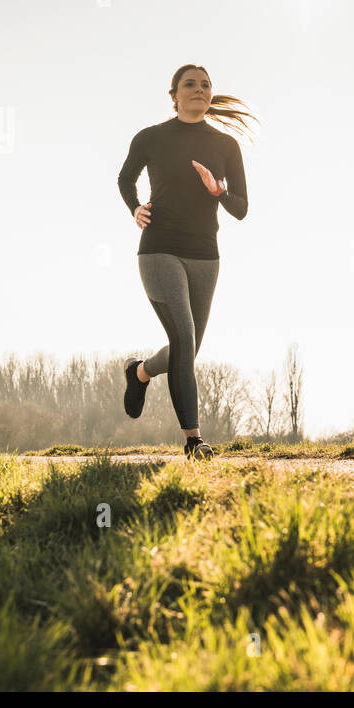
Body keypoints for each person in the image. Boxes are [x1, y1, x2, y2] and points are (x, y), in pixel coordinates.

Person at [116, 63, 256, 460]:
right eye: (190, 84)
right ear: (173, 94)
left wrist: (217, 191)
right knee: (183, 340)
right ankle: (194, 441)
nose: (199, 89)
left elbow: (242, 209)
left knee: (187, 348)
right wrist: (135, 208)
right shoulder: (151, 137)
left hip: (205, 255)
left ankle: (139, 372)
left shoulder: (226, 146)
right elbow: (125, 178)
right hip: (159, 248)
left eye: (205, 84)